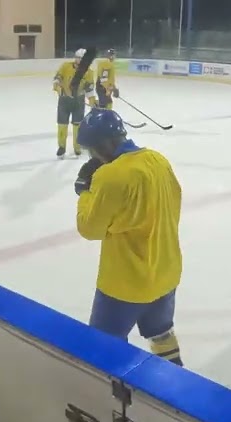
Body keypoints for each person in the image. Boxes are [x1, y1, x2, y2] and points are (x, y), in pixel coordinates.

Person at [74, 109, 184, 366]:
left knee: (104, 345)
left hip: (125, 284)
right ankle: (175, 380)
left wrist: (84, 193)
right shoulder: (158, 160)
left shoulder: (111, 176)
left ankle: (113, 392)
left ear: (98, 147)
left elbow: (89, 229)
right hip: (166, 272)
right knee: (162, 333)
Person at [53, 48, 97, 158]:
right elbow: (57, 79)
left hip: (78, 102)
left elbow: (90, 89)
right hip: (64, 101)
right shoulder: (65, 66)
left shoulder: (89, 72)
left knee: (78, 126)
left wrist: (92, 101)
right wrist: (59, 88)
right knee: (62, 125)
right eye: (78, 58)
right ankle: (61, 147)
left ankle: (77, 147)